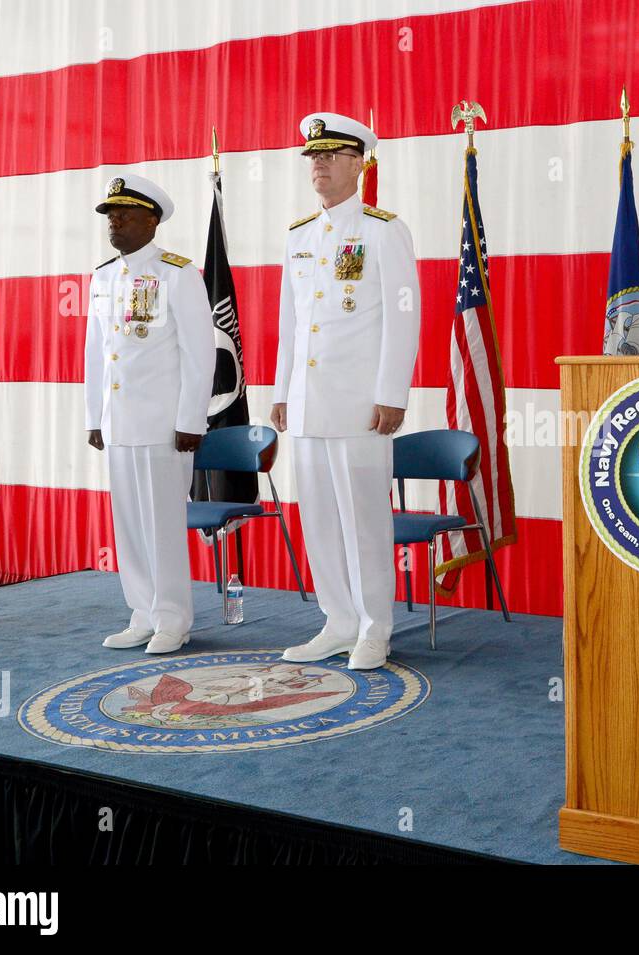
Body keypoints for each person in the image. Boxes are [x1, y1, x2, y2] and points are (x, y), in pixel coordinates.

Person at [271, 112, 421, 670]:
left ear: (360, 164)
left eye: (332, 155)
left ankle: (374, 627)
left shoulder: (383, 230)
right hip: (309, 402)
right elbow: (291, 321)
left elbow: (403, 317)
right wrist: (284, 388)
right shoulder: (298, 236)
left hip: (361, 403)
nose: (320, 165)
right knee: (318, 517)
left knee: (363, 519)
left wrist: (392, 392)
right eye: (314, 156)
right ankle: (337, 620)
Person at [85, 174, 215, 654]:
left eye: (123, 213)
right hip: (120, 422)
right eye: (110, 214)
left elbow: (200, 354)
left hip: (164, 426)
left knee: (161, 524)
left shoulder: (177, 274)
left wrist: (190, 420)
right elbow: (97, 352)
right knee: (130, 526)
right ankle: (142, 611)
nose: (113, 221)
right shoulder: (103, 276)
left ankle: (173, 619)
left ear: (151, 219)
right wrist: (95, 416)